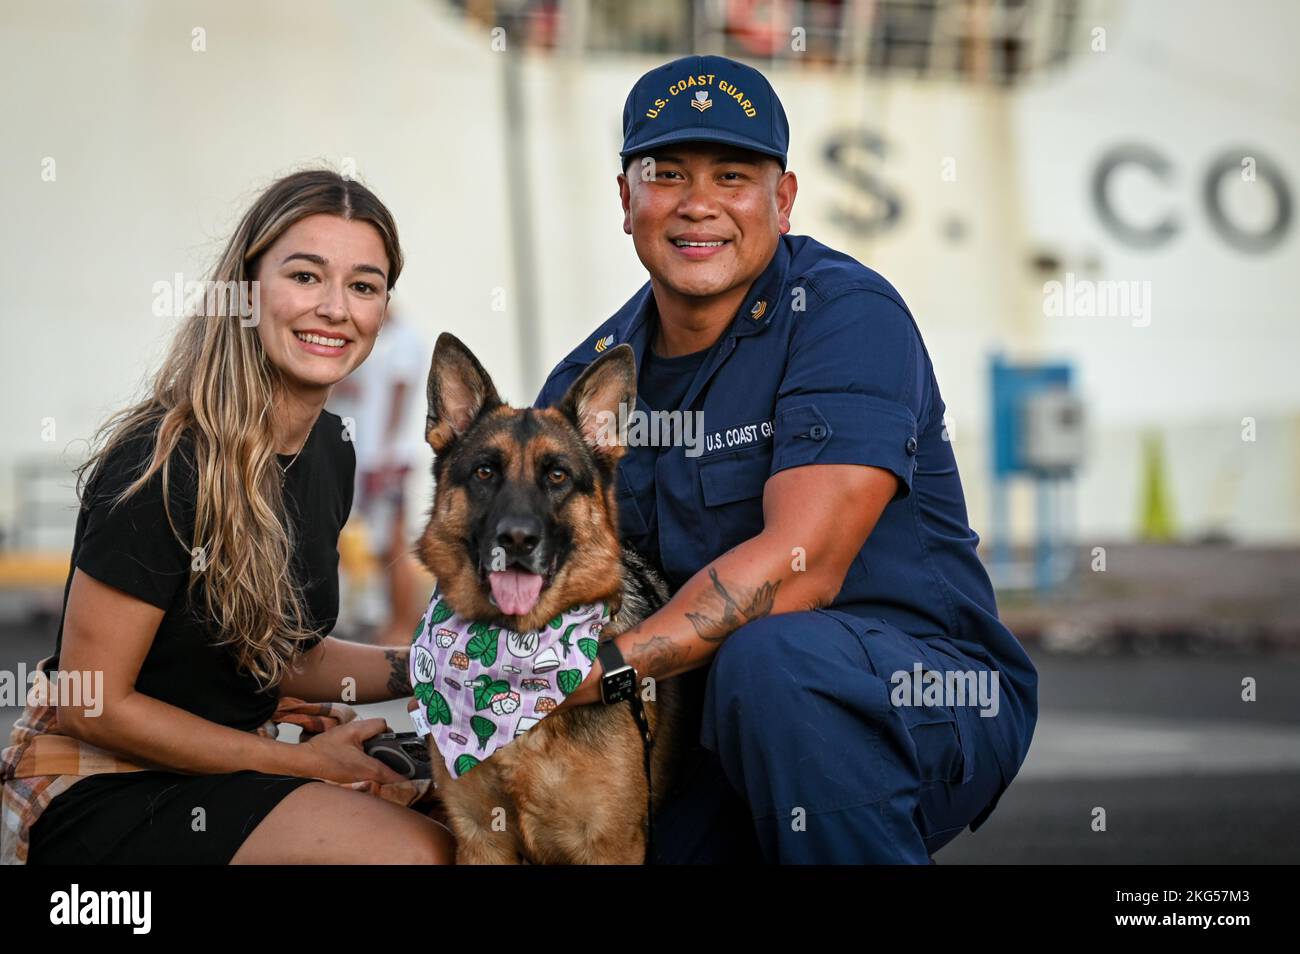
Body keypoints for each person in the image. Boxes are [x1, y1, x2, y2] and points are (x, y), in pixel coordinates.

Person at [538, 55, 1039, 863]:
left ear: (784, 198)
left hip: (918, 691)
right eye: (665, 174)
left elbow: (802, 570)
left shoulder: (846, 317)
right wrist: (447, 690)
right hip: (698, 717)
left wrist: (599, 674)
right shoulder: (587, 380)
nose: (698, 204)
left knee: (775, 660)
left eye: (733, 176)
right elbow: (537, 575)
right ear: (626, 200)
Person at [4, 170, 455, 864]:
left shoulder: (331, 448)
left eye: (363, 286)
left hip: (232, 761)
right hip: (109, 786)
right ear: (245, 291)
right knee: (417, 857)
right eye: (305, 277)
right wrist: (303, 766)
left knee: (476, 825)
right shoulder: (161, 463)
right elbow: (90, 703)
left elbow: (288, 656)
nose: (335, 308)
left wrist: (444, 664)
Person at [326, 305, 429, 646]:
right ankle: (392, 621)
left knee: (394, 544)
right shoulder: (379, 343)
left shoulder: (403, 340)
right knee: (376, 543)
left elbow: (398, 400)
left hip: (388, 458)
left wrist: (385, 456)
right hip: (370, 456)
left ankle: (404, 625)